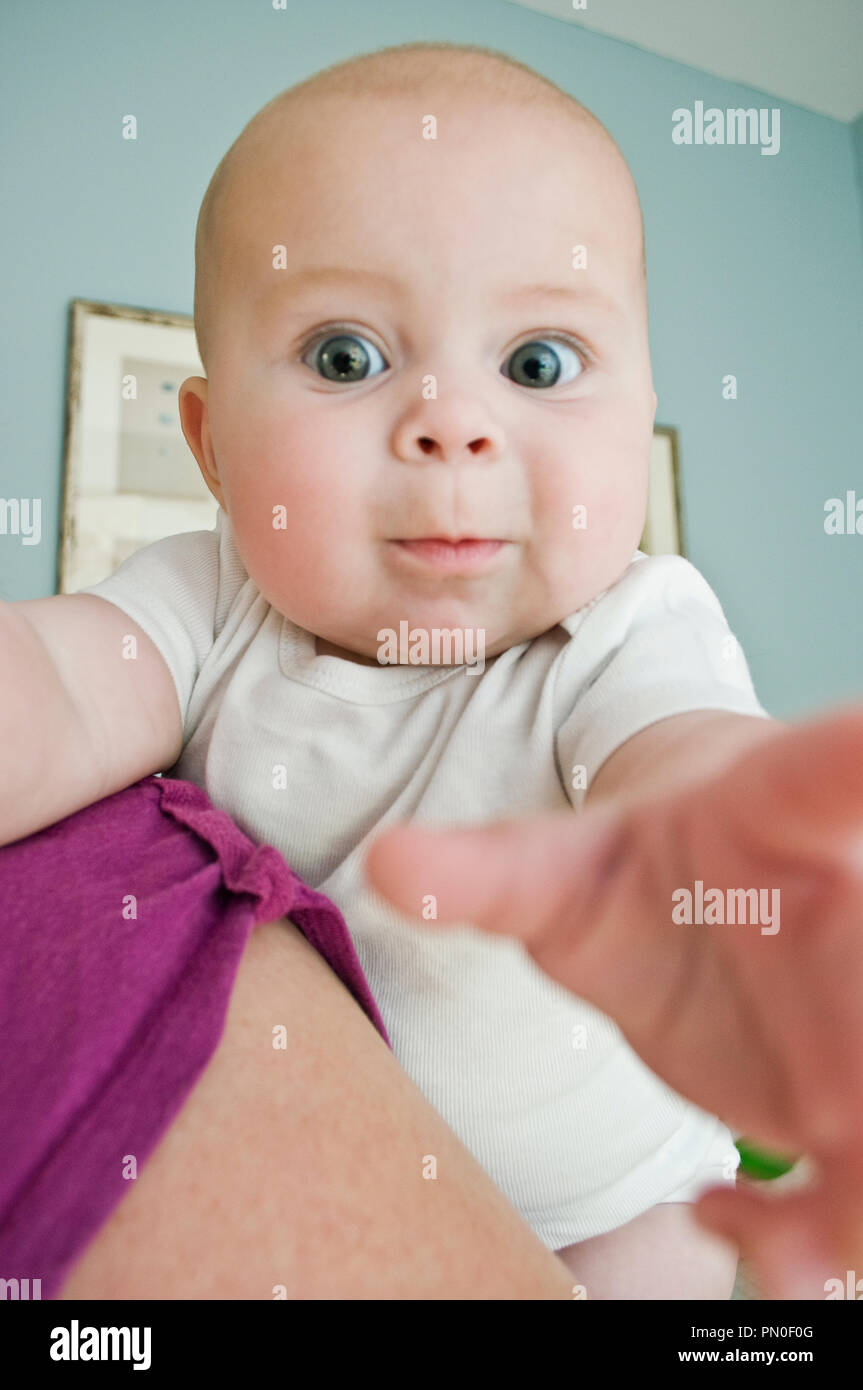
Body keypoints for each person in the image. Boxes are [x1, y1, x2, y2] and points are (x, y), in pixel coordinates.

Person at [2, 40, 859, 1300]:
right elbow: (61, 688)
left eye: (537, 363)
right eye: (345, 357)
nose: (452, 422)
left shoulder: (618, 630)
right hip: (316, 1187)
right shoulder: (206, 603)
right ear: (211, 446)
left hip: (619, 1197)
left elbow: (673, 758)